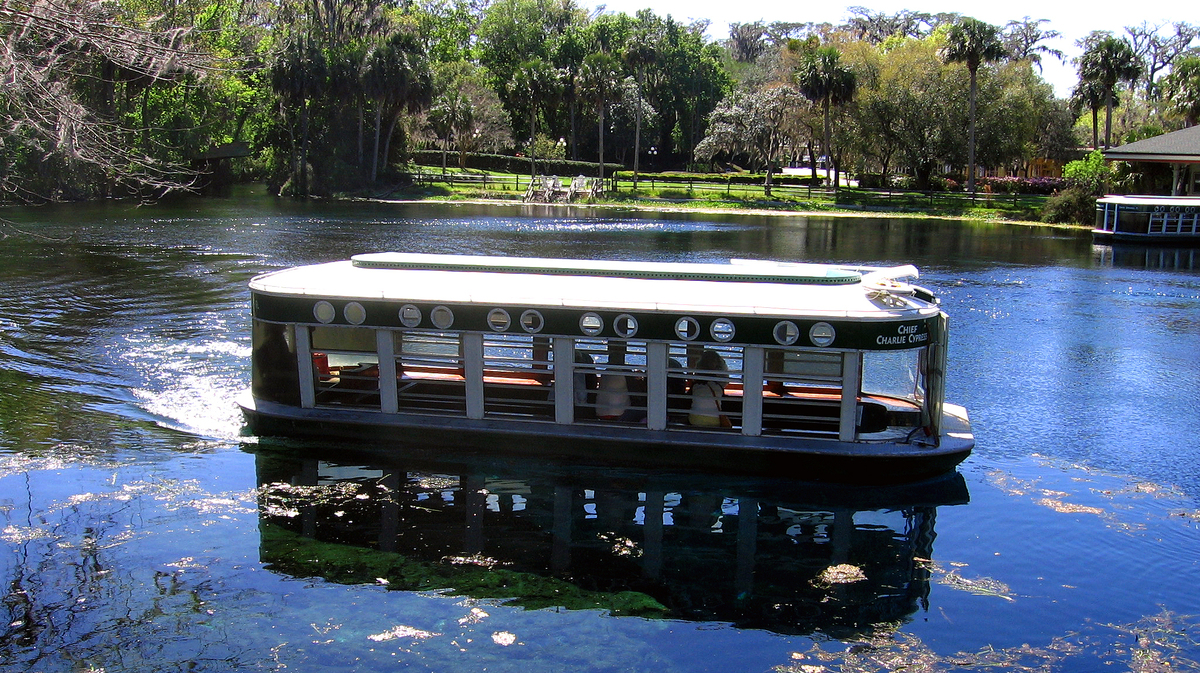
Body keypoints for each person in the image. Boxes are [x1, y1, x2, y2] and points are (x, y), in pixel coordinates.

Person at [688, 349, 730, 428]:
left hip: (694, 419)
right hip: (714, 421)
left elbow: (688, 402)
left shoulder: (696, 385)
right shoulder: (718, 386)